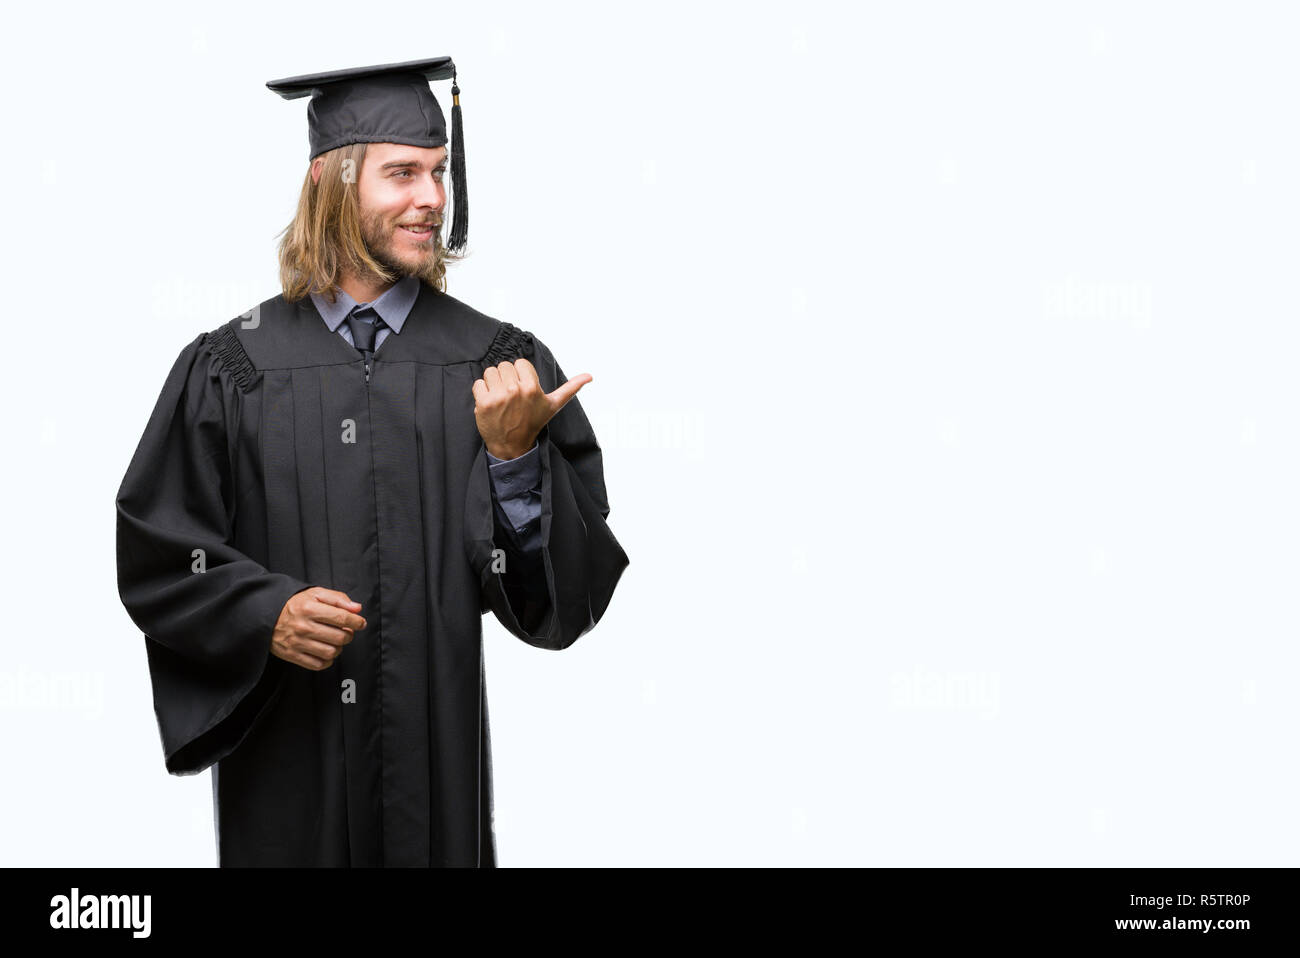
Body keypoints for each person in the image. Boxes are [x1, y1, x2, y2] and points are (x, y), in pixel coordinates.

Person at [114, 56, 630, 867]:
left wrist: (514, 460)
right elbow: (158, 555)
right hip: (288, 782)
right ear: (331, 179)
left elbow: (558, 601)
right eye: (402, 174)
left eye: (439, 172)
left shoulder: (494, 365)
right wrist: (262, 613)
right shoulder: (231, 368)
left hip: (439, 782)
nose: (431, 198)